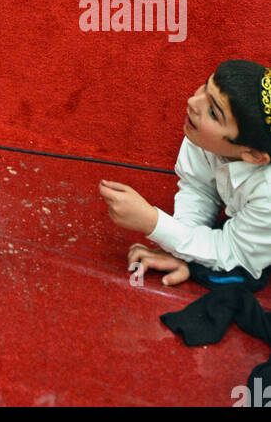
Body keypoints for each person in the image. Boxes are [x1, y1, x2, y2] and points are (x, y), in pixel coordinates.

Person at [100, 60, 271, 288]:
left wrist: (154, 223)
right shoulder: (201, 134)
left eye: (213, 112)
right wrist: (179, 250)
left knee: (236, 280)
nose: (192, 102)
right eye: (205, 87)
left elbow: (235, 255)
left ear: (254, 155)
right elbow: (198, 187)